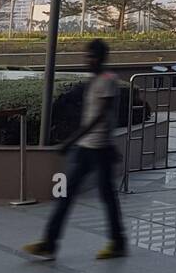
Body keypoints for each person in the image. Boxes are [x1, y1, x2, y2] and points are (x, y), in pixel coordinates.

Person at [22, 38, 126, 261]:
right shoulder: (95, 80)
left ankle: (118, 242)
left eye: (92, 56)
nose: (87, 60)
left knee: (107, 197)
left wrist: (72, 140)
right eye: (86, 56)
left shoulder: (108, 81)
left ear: (101, 58)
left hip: (99, 149)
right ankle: (49, 243)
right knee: (67, 195)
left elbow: (102, 116)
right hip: (86, 148)